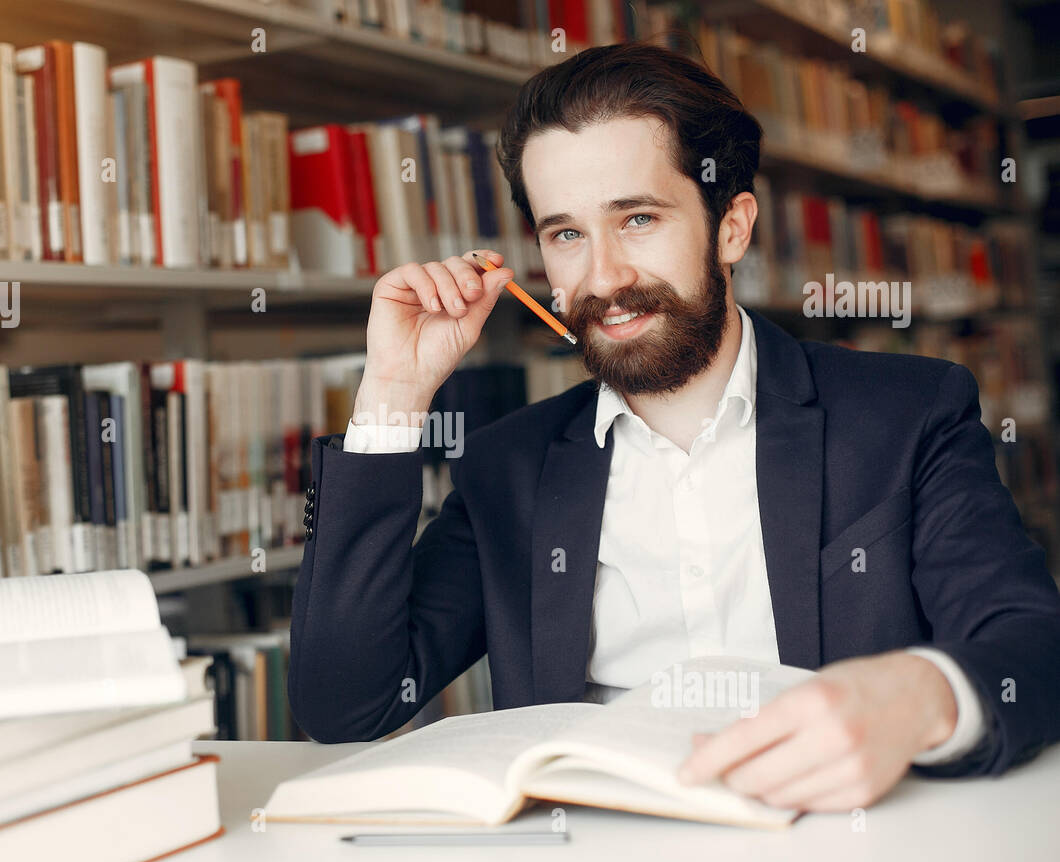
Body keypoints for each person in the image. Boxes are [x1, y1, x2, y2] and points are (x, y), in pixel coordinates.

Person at [286, 41, 1060, 812]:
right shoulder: (507, 468)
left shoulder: (906, 414)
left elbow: (1032, 646)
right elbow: (346, 705)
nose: (605, 278)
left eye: (639, 219)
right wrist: (392, 390)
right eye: (566, 235)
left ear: (731, 227)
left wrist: (916, 697)